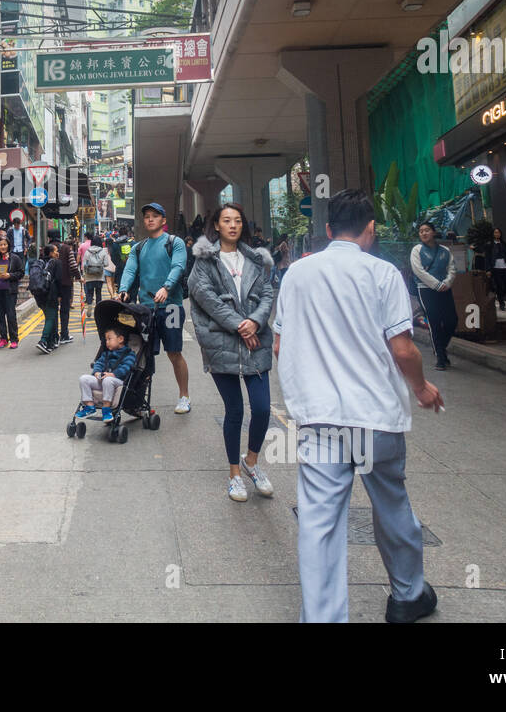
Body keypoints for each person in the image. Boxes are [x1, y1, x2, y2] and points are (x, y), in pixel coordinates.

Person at [273, 189, 444, 623]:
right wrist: (422, 389)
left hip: (321, 419)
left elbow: (279, 344)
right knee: (392, 506)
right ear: (371, 229)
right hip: (376, 418)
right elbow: (403, 349)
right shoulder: (384, 274)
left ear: (328, 230)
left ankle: (324, 618)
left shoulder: (297, 274)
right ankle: (407, 595)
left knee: (320, 524)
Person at [187, 203, 276, 502]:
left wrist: (256, 322)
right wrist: (241, 325)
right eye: (226, 220)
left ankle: (252, 462)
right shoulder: (204, 262)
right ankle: (234, 475)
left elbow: (267, 293)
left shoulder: (256, 259)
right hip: (222, 344)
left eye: (238, 220)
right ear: (217, 225)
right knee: (235, 410)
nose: (233, 225)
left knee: (263, 408)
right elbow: (207, 300)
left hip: (256, 341)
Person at [118, 203, 191, 415]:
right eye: (147, 216)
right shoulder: (138, 247)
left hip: (171, 308)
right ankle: (138, 402)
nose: (150, 219)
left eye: (155, 216)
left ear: (163, 220)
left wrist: (167, 287)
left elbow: (178, 266)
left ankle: (184, 396)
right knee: (144, 355)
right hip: (146, 310)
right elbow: (130, 270)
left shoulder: (174, 243)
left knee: (174, 352)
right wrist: (123, 290)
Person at [411, 222, 457, 370]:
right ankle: (441, 358)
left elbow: (452, 269)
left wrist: (447, 283)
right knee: (434, 321)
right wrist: (436, 284)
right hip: (425, 290)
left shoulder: (445, 251)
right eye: (421, 231)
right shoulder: (417, 250)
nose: (423, 233)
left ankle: (441, 348)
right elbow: (419, 271)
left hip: (445, 289)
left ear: (433, 232)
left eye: (427, 230)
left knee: (452, 320)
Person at [76, 326, 137, 423]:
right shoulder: (106, 354)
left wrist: (113, 374)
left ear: (120, 339)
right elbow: (99, 363)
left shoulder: (129, 354)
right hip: (103, 380)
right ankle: (89, 406)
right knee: (84, 379)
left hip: (118, 382)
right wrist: (96, 372)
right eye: (106, 339)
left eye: (109, 339)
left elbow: (126, 367)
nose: (106, 342)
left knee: (108, 380)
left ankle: (106, 408)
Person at [0, 234, 24, 348]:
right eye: (1, 245)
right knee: (0, 316)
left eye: (5, 244)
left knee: (11, 315)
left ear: (8, 245)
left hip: (10, 291)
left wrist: (10, 275)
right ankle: (3, 338)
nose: (3, 246)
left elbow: (21, 273)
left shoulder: (15, 258)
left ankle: (14, 339)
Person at [32, 242, 63, 353]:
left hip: (39, 294)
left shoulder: (39, 262)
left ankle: (51, 342)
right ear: (50, 253)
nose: (57, 253)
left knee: (50, 316)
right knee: (50, 318)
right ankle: (43, 340)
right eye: (55, 251)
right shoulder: (56, 263)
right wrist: (60, 295)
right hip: (51, 295)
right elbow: (59, 280)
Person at [55, 232, 80, 344]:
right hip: (65, 283)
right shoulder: (66, 249)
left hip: (52, 285)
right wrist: (79, 277)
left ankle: (54, 336)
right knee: (64, 309)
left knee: (52, 311)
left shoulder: (48, 248)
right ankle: (64, 334)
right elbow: (73, 266)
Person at [80, 233, 112, 310]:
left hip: (89, 275)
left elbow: (84, 264)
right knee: (98, 293)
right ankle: (98, 308)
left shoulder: (88, 251)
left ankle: (90, 304)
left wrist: (84, 275)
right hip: (99, 275)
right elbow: (106, 264)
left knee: (90, 292)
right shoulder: (103, 251)